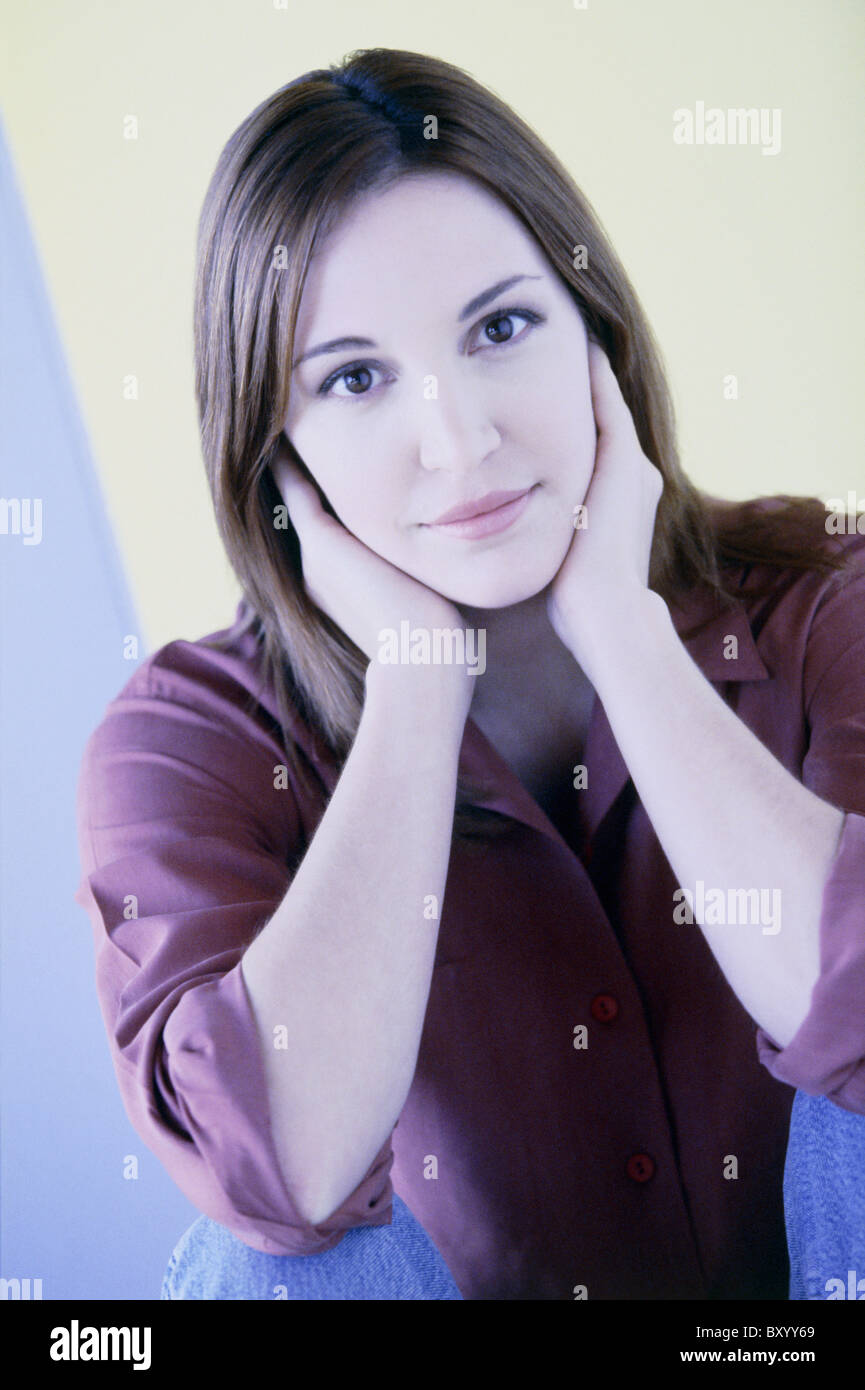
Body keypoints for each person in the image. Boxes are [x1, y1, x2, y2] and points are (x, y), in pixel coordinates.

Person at [75, 47, 865, 1301]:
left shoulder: (823, 595)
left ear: (595, 337)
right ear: (275, 453)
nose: (460, 439)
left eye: (501, 327)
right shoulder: (191, 739)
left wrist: (622, 630)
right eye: (354, 378)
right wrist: (416, 685)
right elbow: (269, 1176)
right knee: (263, 1243)